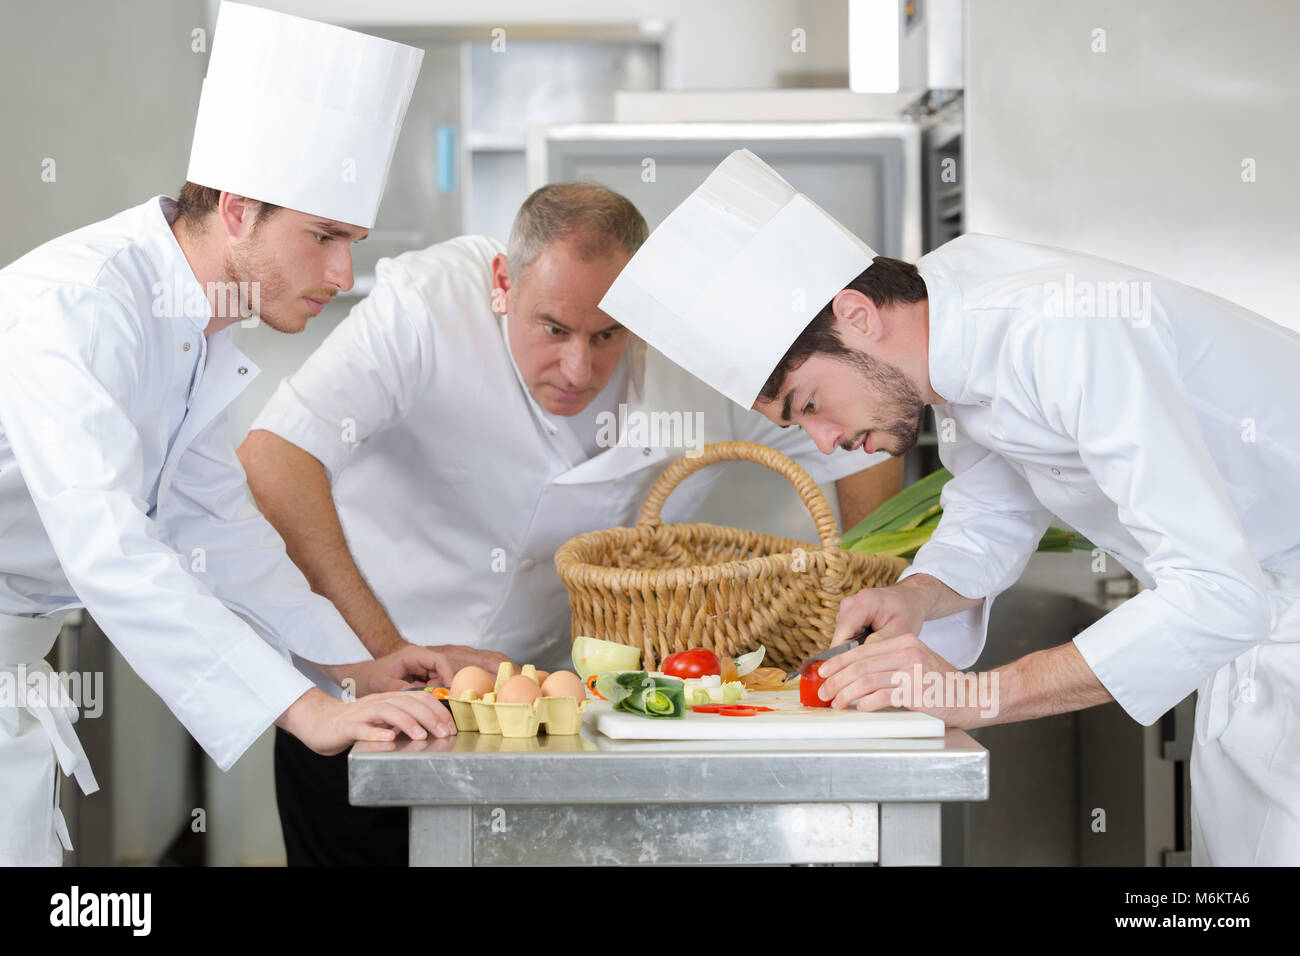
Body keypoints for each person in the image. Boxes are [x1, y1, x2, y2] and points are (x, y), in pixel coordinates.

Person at [598, 148, 1300, 866]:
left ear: (856, 314)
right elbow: (992, 512)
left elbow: (1219, 591)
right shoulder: (951, 325)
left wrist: (979, 696)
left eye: (811, 405)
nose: (828, 440)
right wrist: (917, 598)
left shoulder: (1064, 332)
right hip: (1259, 638)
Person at [237, 180, 902, 864]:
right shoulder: (428, 305)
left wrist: (871, 623)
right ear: (503, 282)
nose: (579, 369)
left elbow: (851, 447)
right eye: (553, 330)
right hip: (361, 701)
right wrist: (379, 656)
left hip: (542, 724)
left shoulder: (693, 353)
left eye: (607, 334)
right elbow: (275, 459)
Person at [0, 2, 455, 867]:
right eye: (323, 237)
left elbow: (215, 528)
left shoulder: (204, 329)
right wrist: (305, 710)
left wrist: (348, 665)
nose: (342, 273)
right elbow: (111, 547)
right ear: (239, 211)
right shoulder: (81, 307)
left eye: (350, 242)